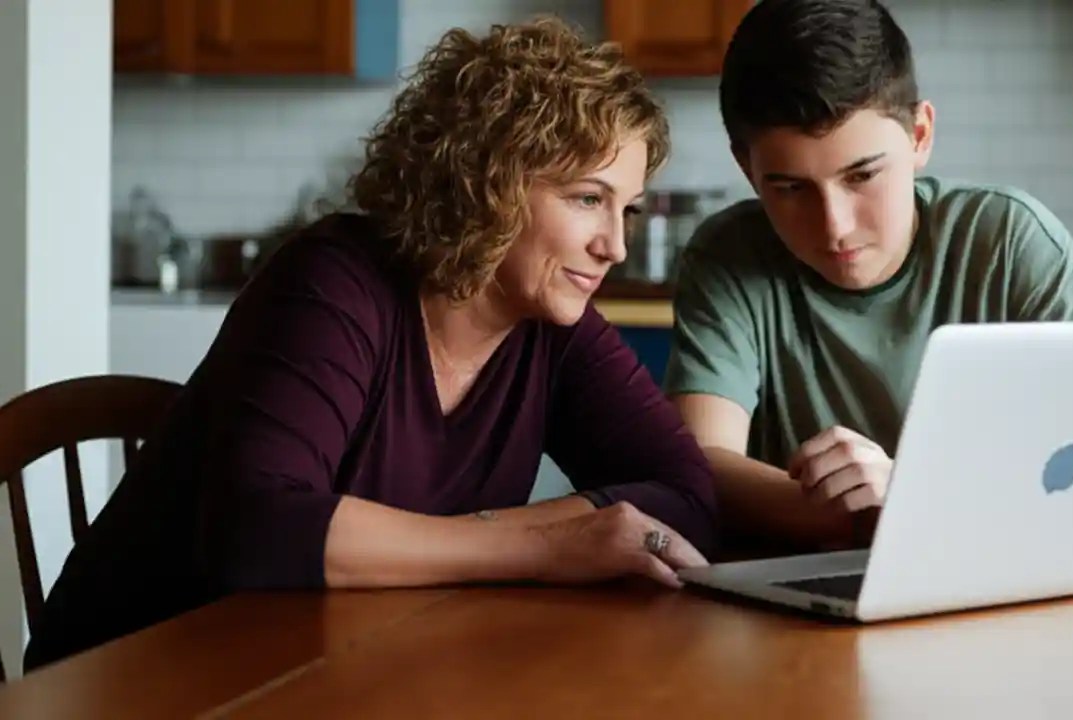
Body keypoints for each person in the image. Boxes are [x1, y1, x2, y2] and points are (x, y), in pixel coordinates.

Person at [25, 17, 716, 672]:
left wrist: (499, 534)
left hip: (333, 667)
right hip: (140, 675)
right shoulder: (333, 282)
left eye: (625, 208)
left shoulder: (552, 324)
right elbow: (259, 533)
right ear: (488, 183)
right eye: (587, 199)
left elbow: (686, 493)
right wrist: (543, 544)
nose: (615, 245)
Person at [664, 0, 1073, 554]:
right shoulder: (727, 255)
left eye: (863, 175)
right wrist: (879, 516)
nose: (835, 227)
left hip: (1002, 571)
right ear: (745, 167)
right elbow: (701, 464)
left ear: (920, 134)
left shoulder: (1012, 243)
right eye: (789, 188)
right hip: (796, 602)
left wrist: (909, 498)